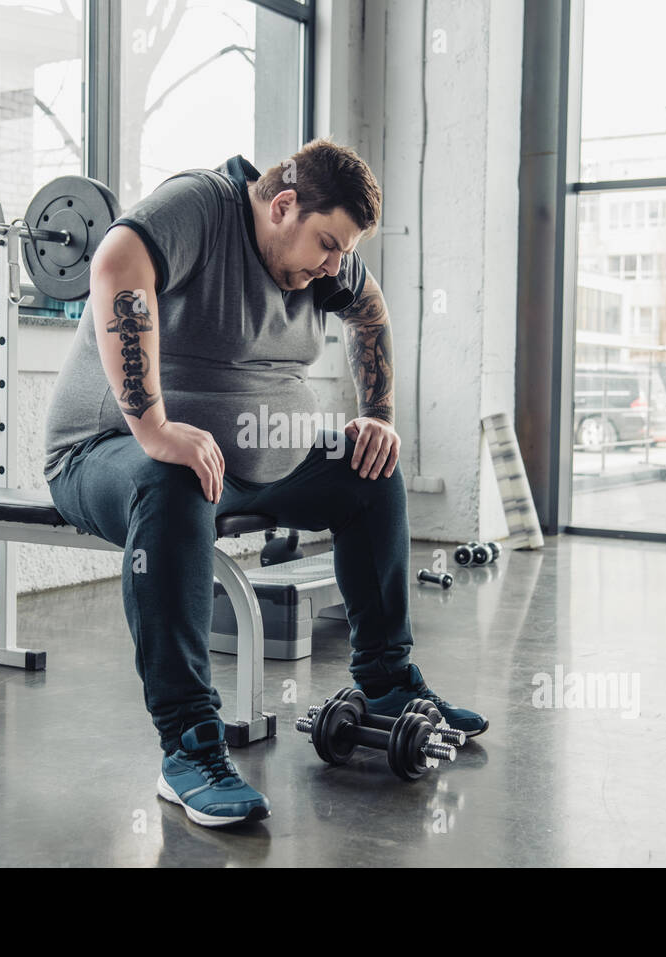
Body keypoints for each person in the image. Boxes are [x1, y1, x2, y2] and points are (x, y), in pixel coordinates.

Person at [43, 140, 487, 828]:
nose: (334, 265)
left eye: (341, 252)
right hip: (104, 453)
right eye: (327, 244)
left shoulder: (320, 266)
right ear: (283, 205)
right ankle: (190, 747)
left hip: (246, 460)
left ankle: (388, 682)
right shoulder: (202, 206)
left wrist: (379, 418)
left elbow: (369, 309)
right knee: (171, 476)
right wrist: (155, 426)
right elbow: (115, 263)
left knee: (369, 468)